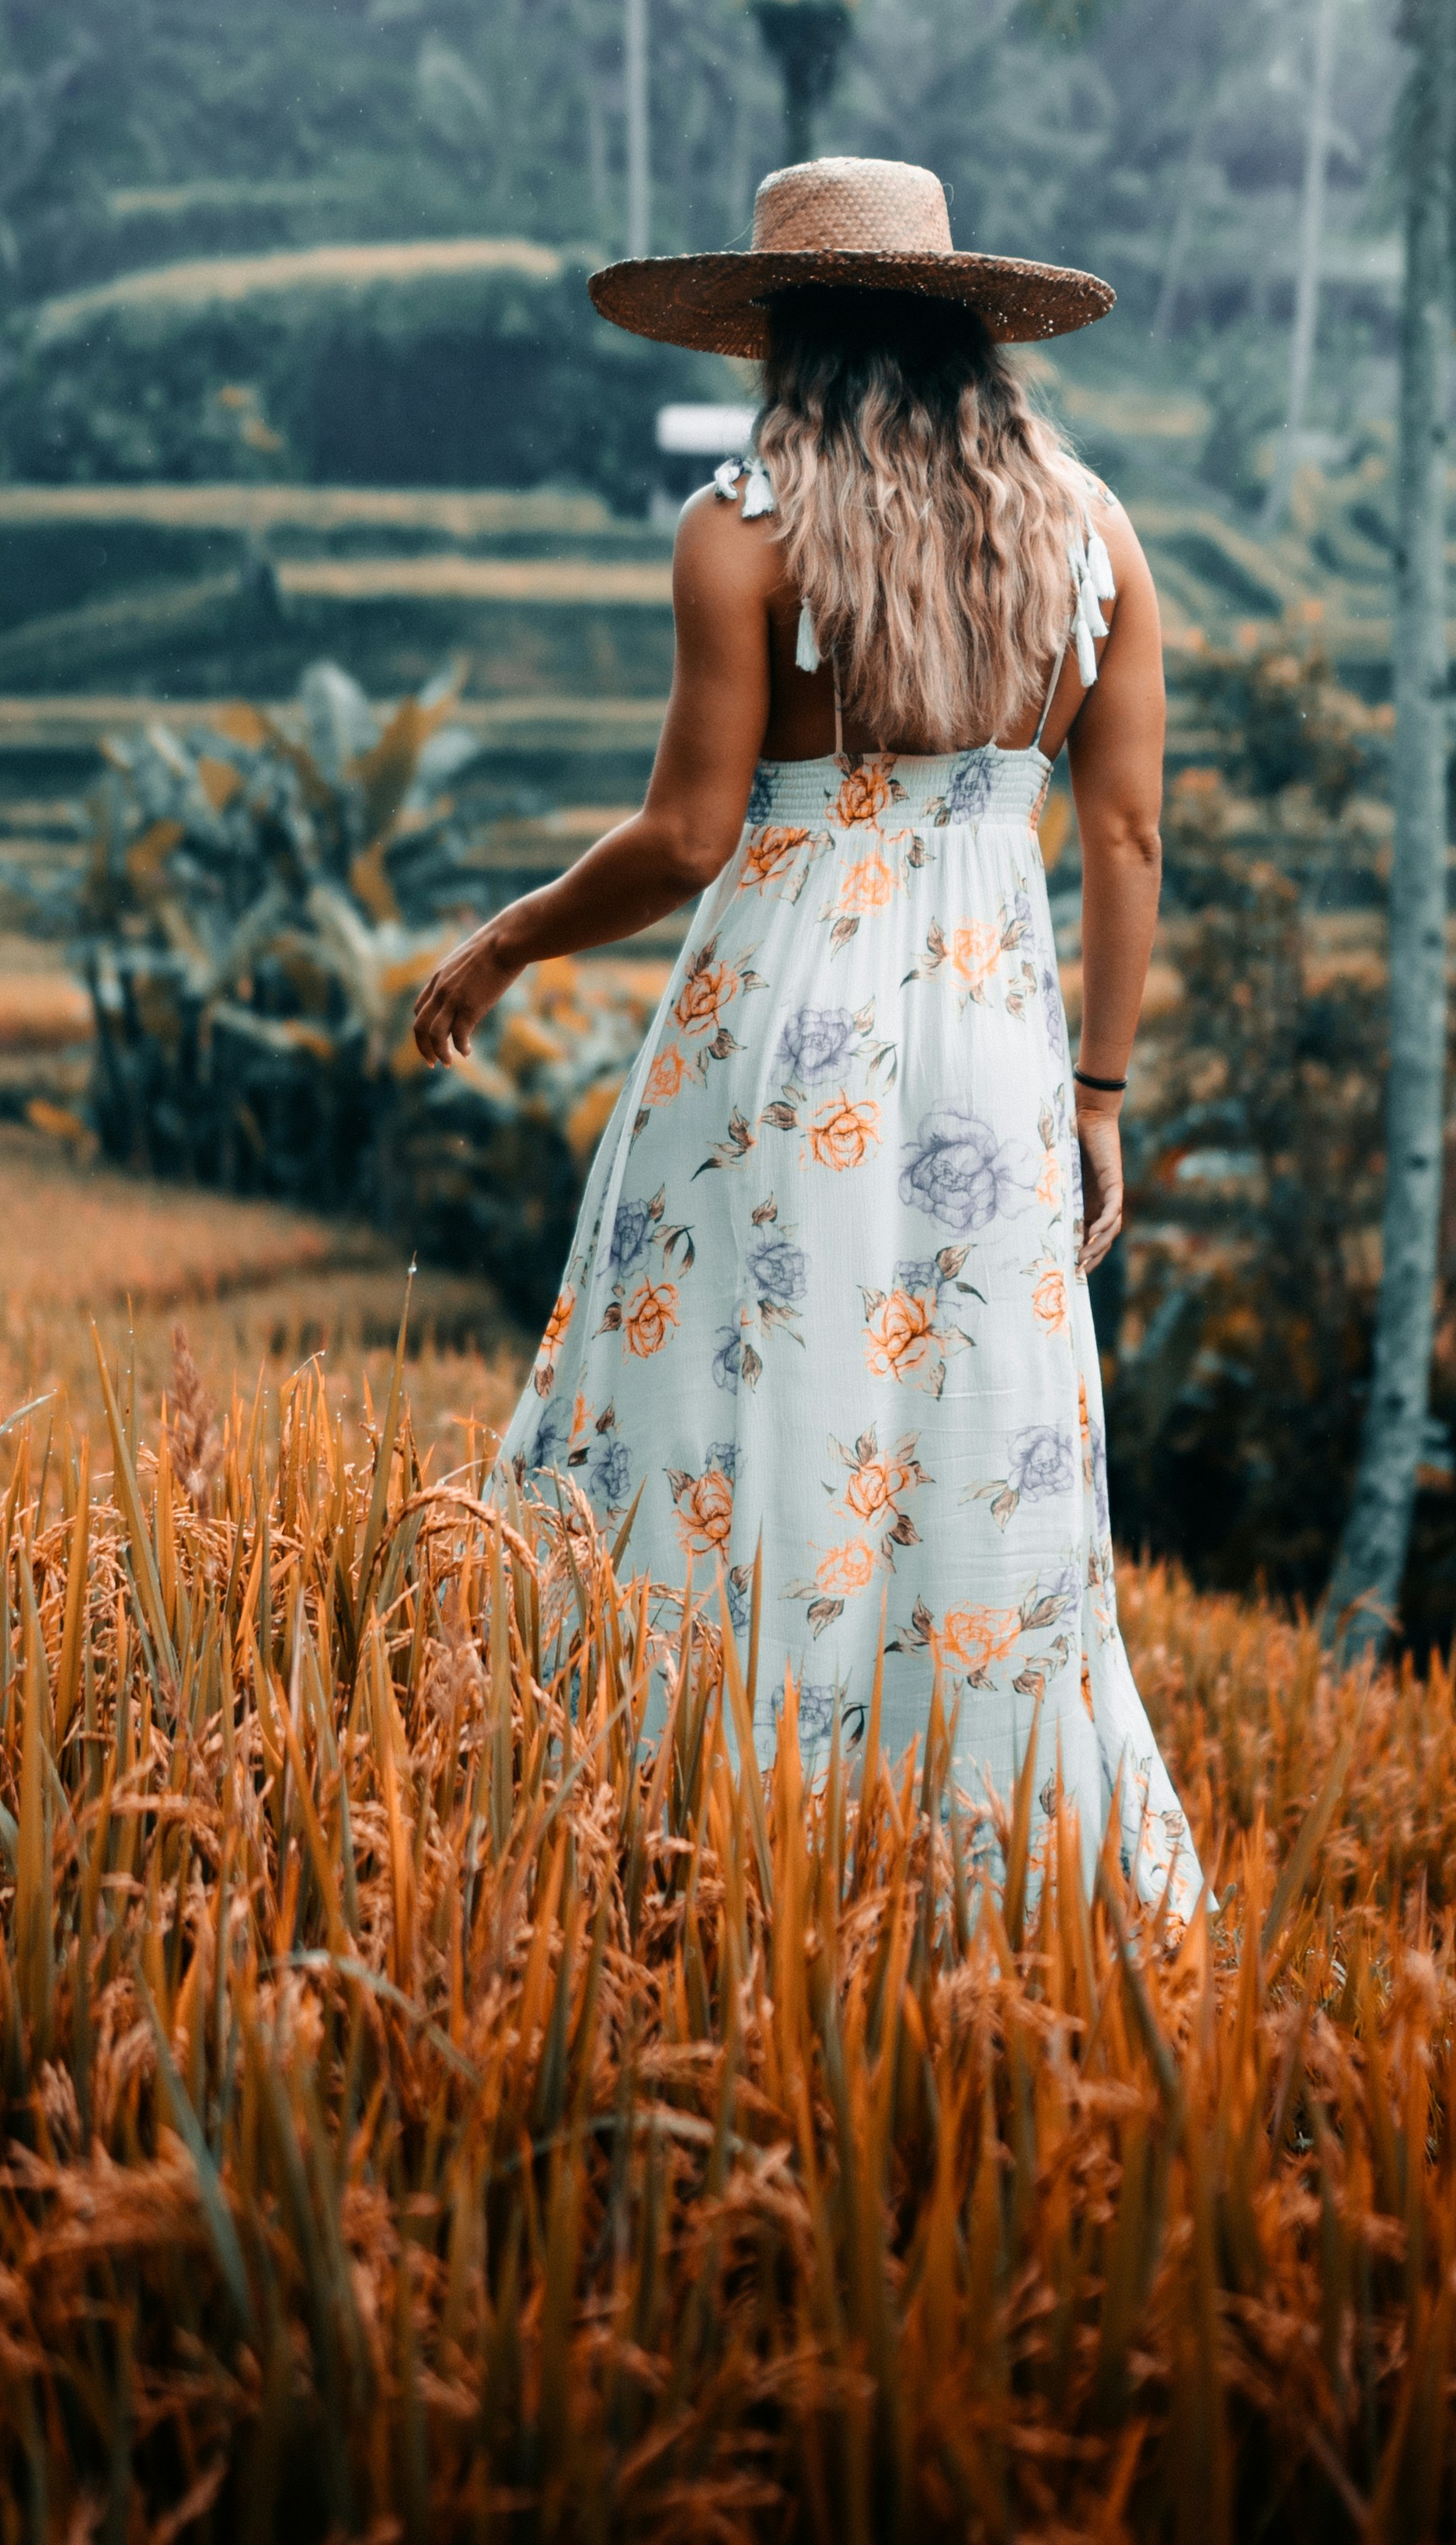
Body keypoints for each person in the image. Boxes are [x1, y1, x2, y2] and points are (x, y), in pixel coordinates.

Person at [413, 157, 1200, 1916]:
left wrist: (508, 937)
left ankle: (707, 1831)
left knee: (740, 1404)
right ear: (962, 331)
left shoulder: (741, 527)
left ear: (780, 335)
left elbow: (691, 833)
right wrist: (1098, 1089)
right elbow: (1133, 838)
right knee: (967, 1422)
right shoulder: (1091, 528)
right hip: (996, 1049)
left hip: (784, 1030)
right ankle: (976, 1868)